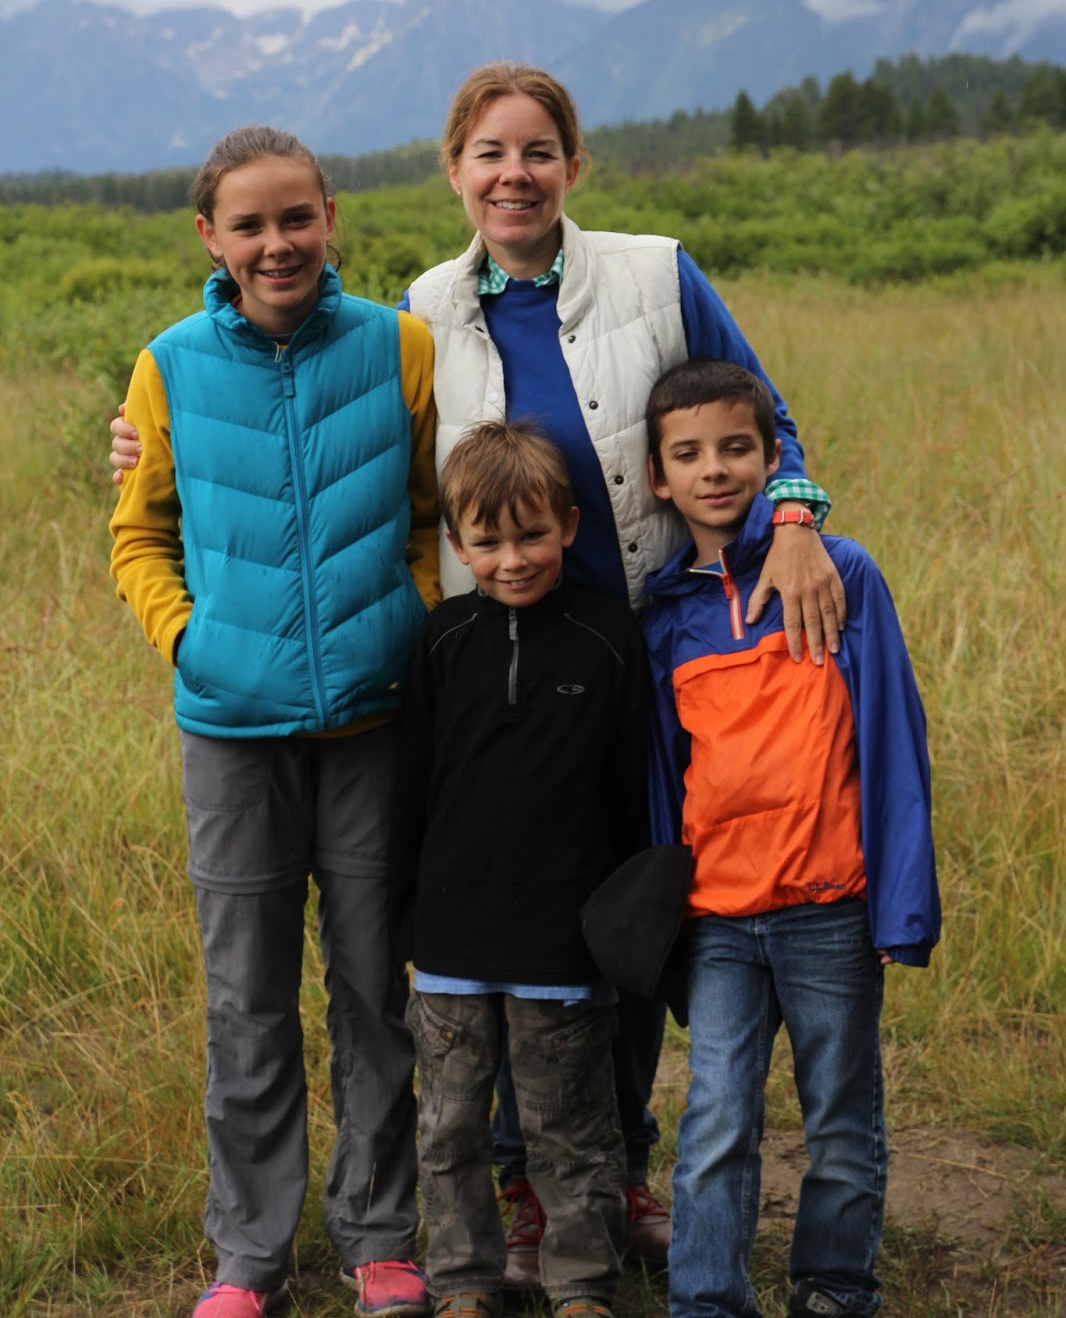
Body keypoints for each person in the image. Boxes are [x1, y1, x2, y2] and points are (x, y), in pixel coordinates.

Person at [110, 62, 847, 1284]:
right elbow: (274, 487)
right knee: (483, 920)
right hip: (471, 677)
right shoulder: (420, 313)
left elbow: (759, 416)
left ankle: (599, 1171)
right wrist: (183, 585)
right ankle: (481, 1194)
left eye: (537, 150)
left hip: (633, 657)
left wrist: (798, 515)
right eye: (489, 154)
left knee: (615, 911)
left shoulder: (638, 278)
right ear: (452, 172)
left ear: (572, 163)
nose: (514, 174)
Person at [108, 126, 439, 1318]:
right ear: (211, 236)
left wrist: (408, 622)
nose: (276, 243)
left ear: (330, 217)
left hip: (374, 724)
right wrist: (194, 642)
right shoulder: (168, 366)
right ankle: (249, 1254)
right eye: (248, 224)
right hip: (231, 734)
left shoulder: (401, 347)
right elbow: (140, 535)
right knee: (246, 999)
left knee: (373, 989)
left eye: (296, 217)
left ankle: (380, 1235)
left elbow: (433, 514)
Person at [641, 358, 941, 1318]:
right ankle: (705, 1299)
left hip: (829, 907)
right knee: (716, 1118)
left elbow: (892, 739)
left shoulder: (840, 573)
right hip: (720, 918)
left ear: (775, 460)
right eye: (689, 454)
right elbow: (664, 780)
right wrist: (663, 924)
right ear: (657, 478)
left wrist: (901, 904)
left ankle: (835, 1287)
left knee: (841, 1115)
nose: (714, 470)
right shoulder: (665, 616)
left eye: (736, 448)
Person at [394, 419, 650, 1318]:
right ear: (456, 544)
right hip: (451, 944)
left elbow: (631, 792)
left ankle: (581, 1285)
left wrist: (622, 928)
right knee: (449, 1128)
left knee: (570, 1129)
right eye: (488, 542)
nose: (512, 560)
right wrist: (406, 920)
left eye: (532, 535)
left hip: (565, 946)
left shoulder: (610, 638)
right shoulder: (440, 640)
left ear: (569, 526)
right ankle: (463, 1281)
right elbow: (412, 789)